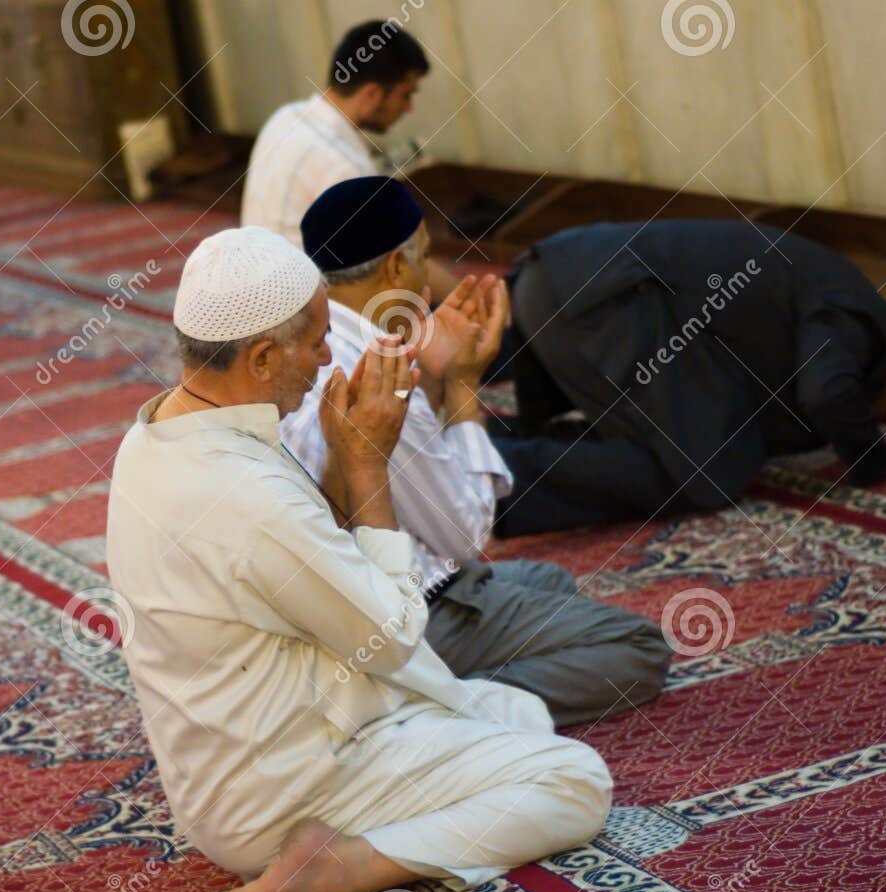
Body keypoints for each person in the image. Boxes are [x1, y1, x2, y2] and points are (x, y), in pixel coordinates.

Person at [106, 226, 612, 892]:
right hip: (289, 789)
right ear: (260, 357)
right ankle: (348, 865)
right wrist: (370, 462)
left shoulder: (155, 436)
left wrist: (347, 456)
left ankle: (376, 823)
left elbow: (307, 557)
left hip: (241, 761)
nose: (325, 358)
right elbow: (393, 636)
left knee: (520, 712)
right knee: (575, 779)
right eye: (316, 342)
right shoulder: (244, 494)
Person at [283, 177, 669, 726]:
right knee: (637, 649)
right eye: (422, 256)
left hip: (342, 601)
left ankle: (428, 685)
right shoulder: (377, 371)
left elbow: (414, 483)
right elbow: (465, 535)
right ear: (394, 267)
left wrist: (437, 377)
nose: (428, 273)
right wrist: (464, 384)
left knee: (550, 582)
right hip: (404, 616)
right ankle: (430, 704)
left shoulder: (314, 345)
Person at [490, 220, 886, 537]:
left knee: (669, 442)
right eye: (885, 417)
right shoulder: (860, 321)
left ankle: (479, 443)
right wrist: (879, 461)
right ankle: (495, 475)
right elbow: (827, 392)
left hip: (553, 281)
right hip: (605, 298)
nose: (873, 422)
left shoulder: (833, 286)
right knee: (707, 474)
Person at [241, 21, 461, 302]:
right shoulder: (344, 166)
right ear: (372, 94)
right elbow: (404, 258)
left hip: (254, 285)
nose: (409, 108)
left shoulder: (286, 116)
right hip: (296, 306)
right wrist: (467, 300)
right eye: (406, 95)